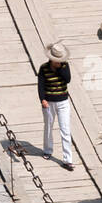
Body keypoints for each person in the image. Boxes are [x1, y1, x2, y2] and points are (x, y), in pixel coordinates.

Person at [38, 41, 75, 170]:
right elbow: (41, 85)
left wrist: (59, 68)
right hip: (49, 102)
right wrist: (42, 99)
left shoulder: (64, 67)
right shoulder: (43, 68)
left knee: (65, 129)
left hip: (63, 102)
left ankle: (68, 159)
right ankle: (47, 150)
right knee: (48, 126)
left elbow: (67, 79)